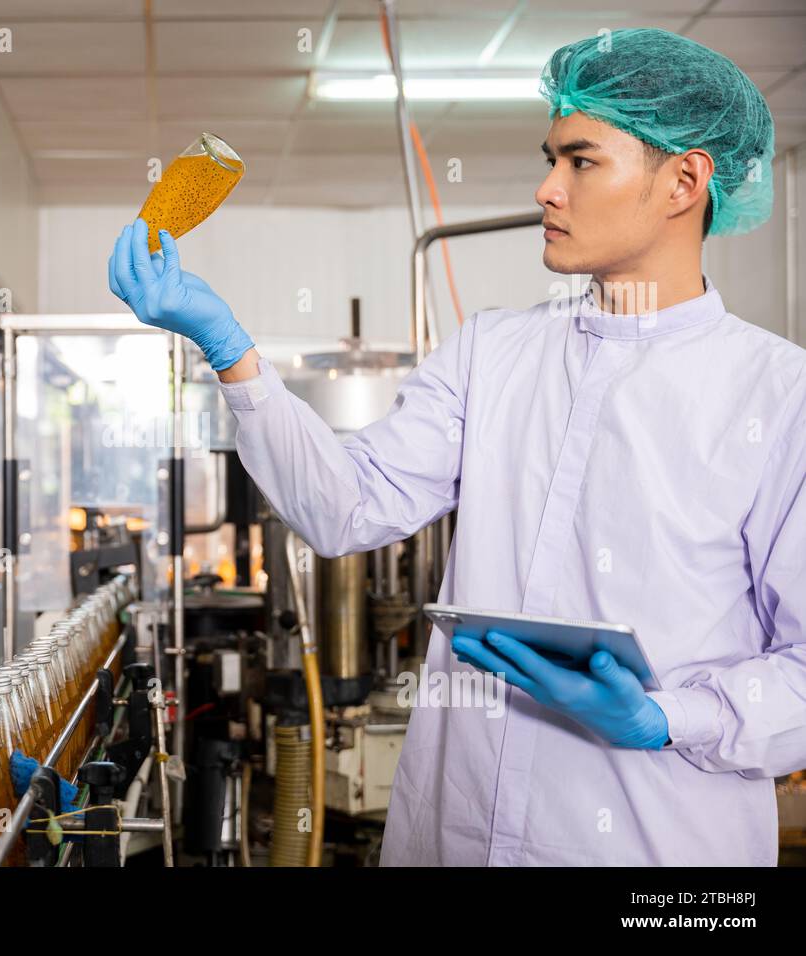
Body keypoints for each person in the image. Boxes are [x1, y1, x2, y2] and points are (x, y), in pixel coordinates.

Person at [107, 28, 805, 865]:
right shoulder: (494, 353)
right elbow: (345, 509)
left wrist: (672, 717)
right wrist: (230, 350)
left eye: (581, 161)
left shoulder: (779, 397)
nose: (548, 189)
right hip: (451, 834)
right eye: (550, 158)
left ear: (685, 180)